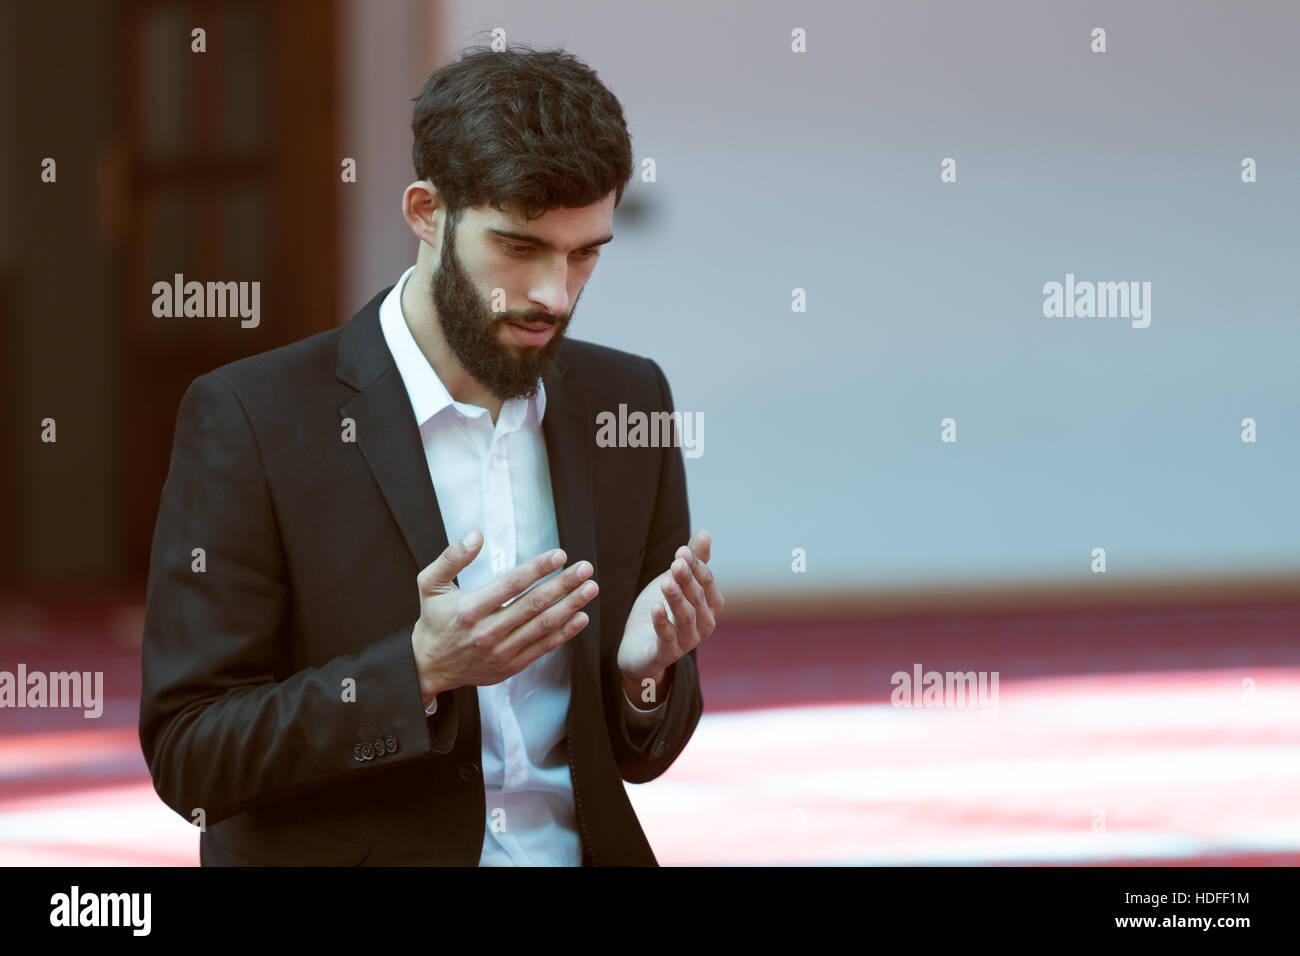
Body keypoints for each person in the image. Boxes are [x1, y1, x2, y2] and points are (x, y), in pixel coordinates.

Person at [137, 44, 724, 866]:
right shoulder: (251, 418)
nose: (555, 296)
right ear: (425, 212)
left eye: (585, 252)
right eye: (519, 248)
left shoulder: (630, 402)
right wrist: (416, 671)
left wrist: (643, 678)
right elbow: (192, 754)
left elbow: (642, 754)